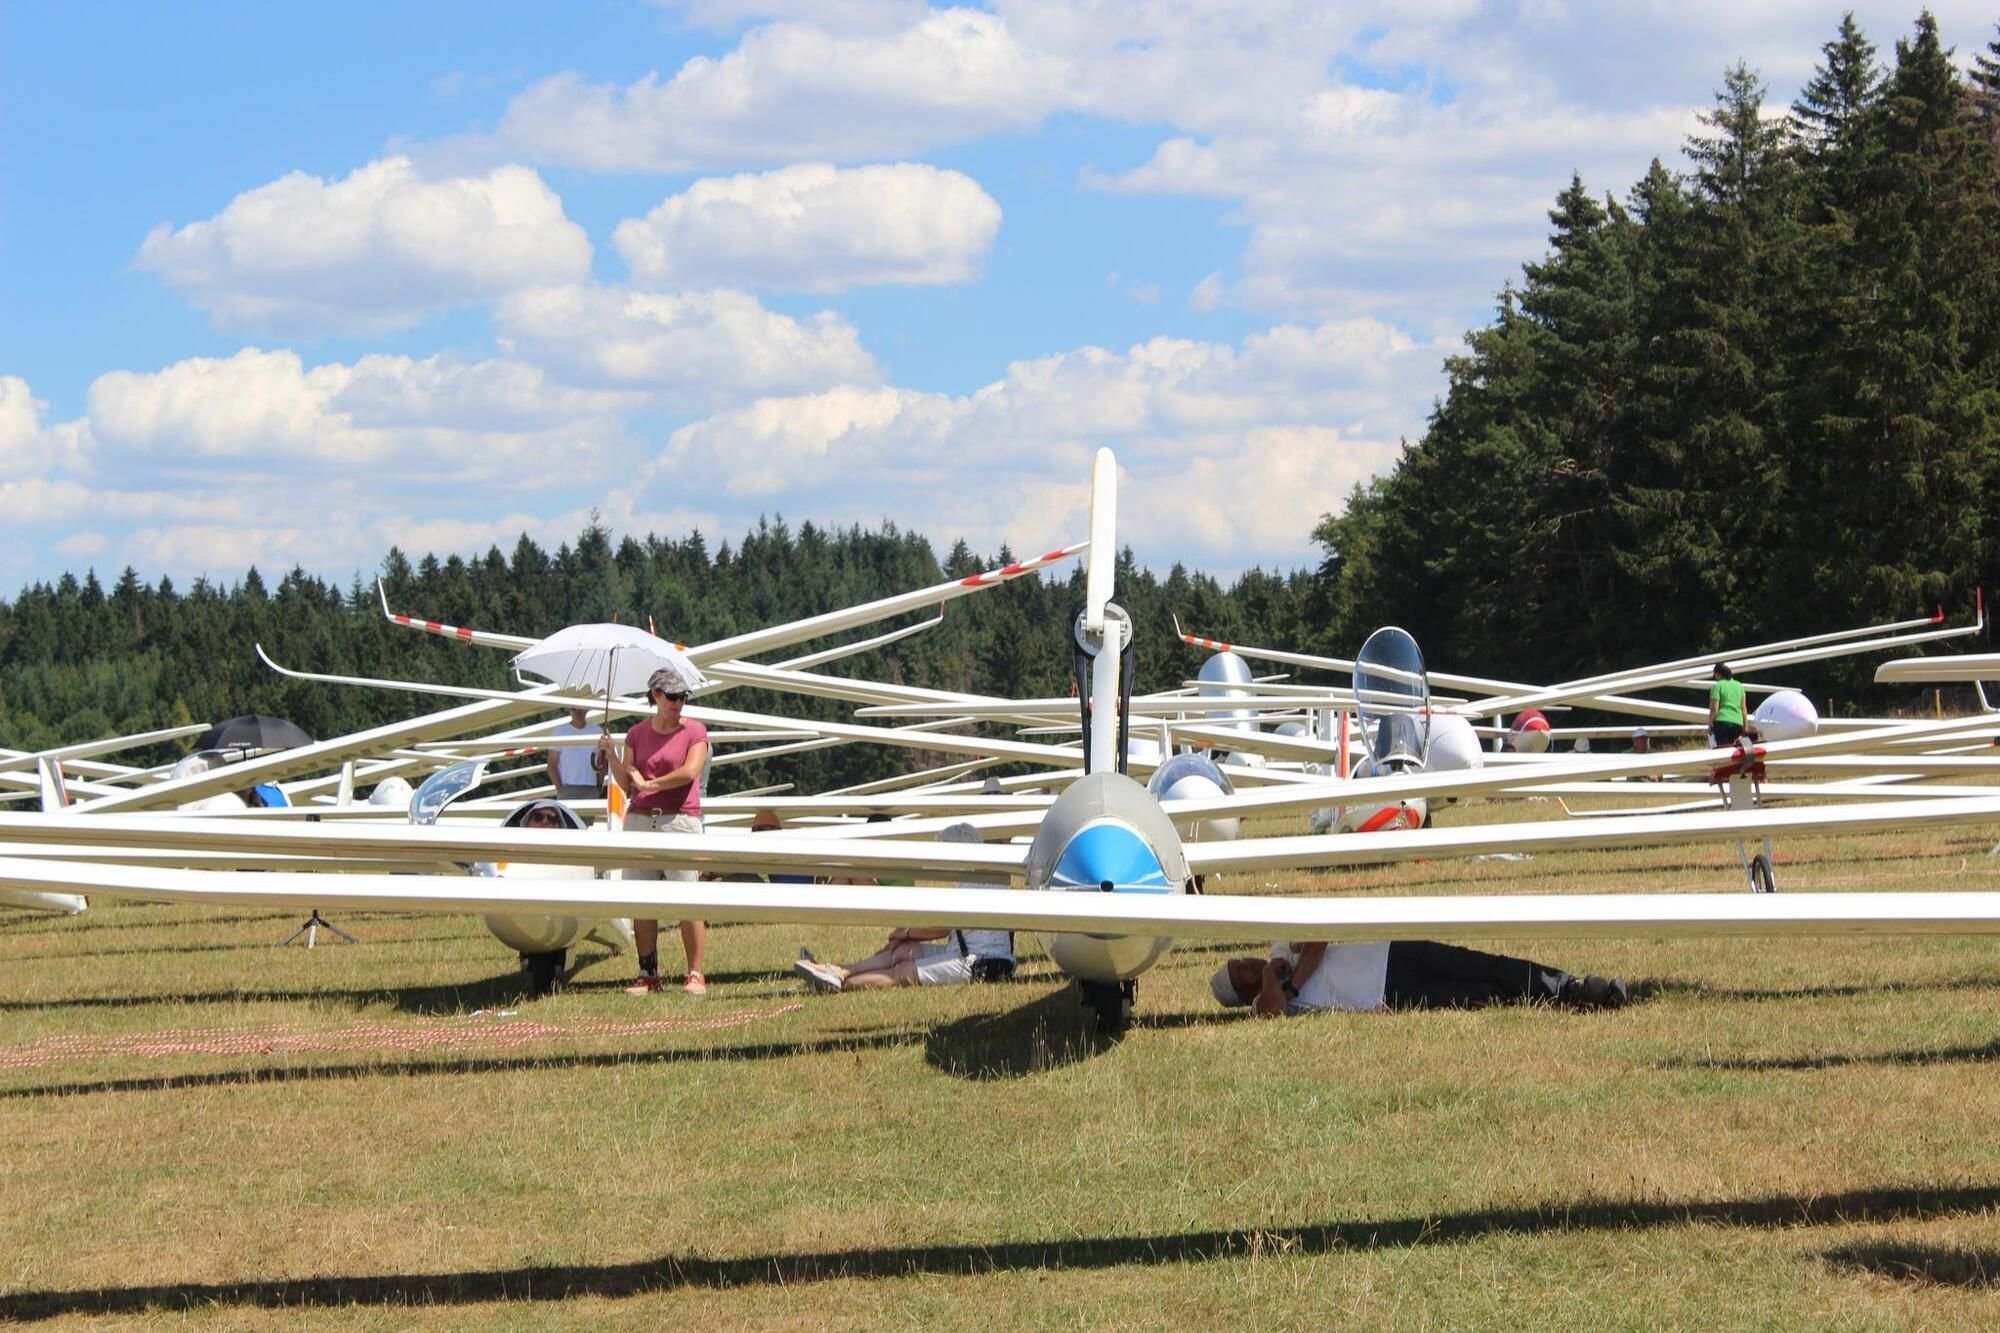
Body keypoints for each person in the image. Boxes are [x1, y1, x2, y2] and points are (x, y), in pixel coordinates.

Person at [793, 824, 1014, 992]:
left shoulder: (972, 885)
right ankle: (838, 971)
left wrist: (906, 932)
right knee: (903, 952)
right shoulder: (983, 877)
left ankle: (837, 984)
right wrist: (906, 936)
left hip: (984, 965)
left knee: (900, 973)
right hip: (965, 953)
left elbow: (943, 928)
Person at [600, 668, 709, 996]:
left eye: (683, 697)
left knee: (688, 899)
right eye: (673, 697)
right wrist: (612, 756)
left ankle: (695, 973)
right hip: (640, 820)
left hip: (680, 821)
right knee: (642, 900)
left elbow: (690, 772)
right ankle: (648, 973)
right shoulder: (635, 733)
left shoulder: (696, 731)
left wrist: (651, 783)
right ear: (656, 697)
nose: (679, 703)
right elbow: (625, 782)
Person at [1209, 939, 1627, 1018]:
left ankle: (1571, 988)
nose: (1246, 964)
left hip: (1392, 953)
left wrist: (1288, 976)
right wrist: (1270, 977)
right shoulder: (1266, 1001)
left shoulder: (1282, 946)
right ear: (1243, 993)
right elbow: (1271, 1013)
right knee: (1477, 996)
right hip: (1386, 994)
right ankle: (1559, 1000)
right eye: (1240, 974)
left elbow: (1315, 941)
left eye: (1240, 962)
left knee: (1484, 965)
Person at [546, 707, 606, 804]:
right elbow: (551, 765)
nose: (578, 712)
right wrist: (560, 788)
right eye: (574, 709)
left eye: (581, 709)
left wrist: (599, 785)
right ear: (569, 710)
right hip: (567, 787)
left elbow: (602, 761)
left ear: (586, 710)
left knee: (586, 819)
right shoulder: (559, 731)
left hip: (591, 787)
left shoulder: (597, 731)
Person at [1709, 663, 1748, 748]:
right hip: (1737, 723)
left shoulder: (1717, 686)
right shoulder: (1739, 686)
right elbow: (1743, 708)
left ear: (1718, 674)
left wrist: (1710, 723)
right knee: (1732, 749)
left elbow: (1714, 709)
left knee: (1723, 750)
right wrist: (1745, 726)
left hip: (1722, 722)